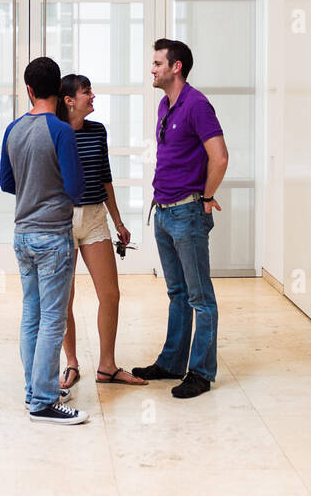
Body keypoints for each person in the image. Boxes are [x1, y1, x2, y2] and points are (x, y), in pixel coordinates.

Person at [132, 39, 229, 398]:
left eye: (158, 63)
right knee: (177, 293)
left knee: (200, 296)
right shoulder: (164, 105)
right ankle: (172, 362)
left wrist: (205, 197)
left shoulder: (197, 105)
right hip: (164, 211)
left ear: (176, 67)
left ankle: (201, 372)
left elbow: (219, 157)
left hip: (188, 212)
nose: (152, 69)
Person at [0, 56, 89, 425]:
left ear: (30, 90)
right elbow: (76, 188)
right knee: (53, 319)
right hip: (53, 238)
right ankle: (44, 402)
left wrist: (33, 184)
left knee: (31, 314)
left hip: (22, 236)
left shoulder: (13, 129)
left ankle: (33, 390)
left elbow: (7, 183)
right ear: (59, 91)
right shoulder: (61, 131)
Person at [57, 74, 147, 390]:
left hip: (95, 216)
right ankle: (71, 364)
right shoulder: (55, 132)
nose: (92, 96)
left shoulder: (97, 131)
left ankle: (107, 367)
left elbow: (105, 177)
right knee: (63, 298)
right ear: (69, 100)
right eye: (86, 92)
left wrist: (119, 222)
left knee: (110, 294)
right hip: (62, 220)